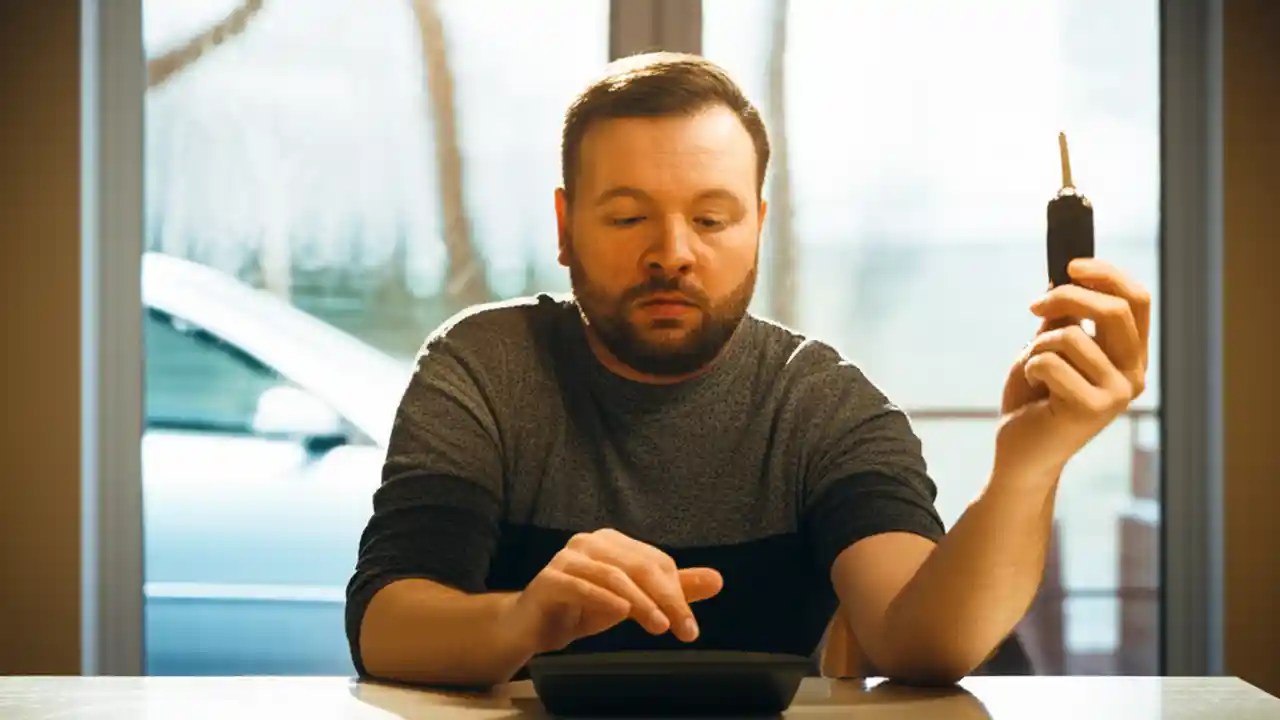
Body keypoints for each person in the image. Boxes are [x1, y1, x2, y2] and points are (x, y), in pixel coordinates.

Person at [345, 52, 1150, 688]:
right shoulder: (485, 368)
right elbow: (386, 623)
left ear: (758, 225)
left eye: (710, 218)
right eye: (627, 216)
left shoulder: (821, 404)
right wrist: (527, 618)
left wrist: (1028, 467)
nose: (671, 253)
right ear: (564, 227)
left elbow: (923, 642)